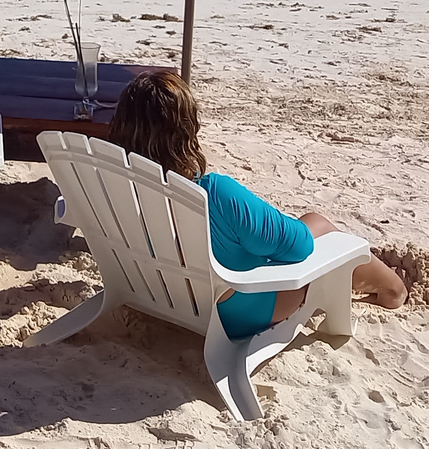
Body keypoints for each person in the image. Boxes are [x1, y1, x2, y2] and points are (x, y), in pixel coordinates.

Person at [108, 71, 407, 339]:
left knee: (257, 236)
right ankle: (394, 290)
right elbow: (299, 247)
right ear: (186, 131)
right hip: (235, 311)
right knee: (316, 226)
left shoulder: (114, 186)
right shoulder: (214, 194)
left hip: (158, 293)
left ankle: (388, 287)